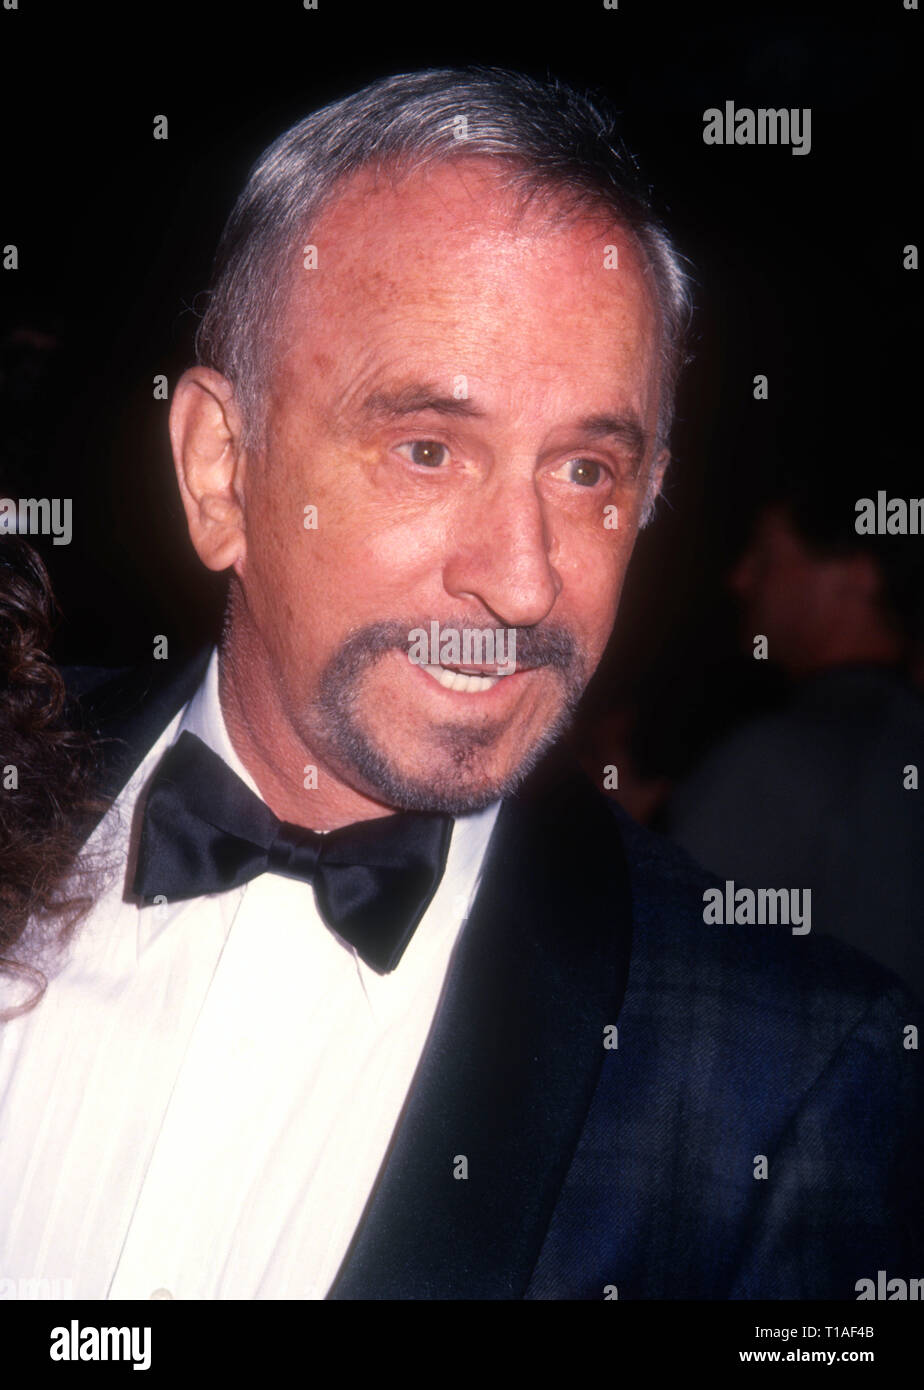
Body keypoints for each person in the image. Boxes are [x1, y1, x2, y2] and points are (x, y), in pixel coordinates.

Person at [0, 68, 920, 1301]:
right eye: (428, 450)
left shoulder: (784, 1084)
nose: (527, 582)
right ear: (222, 474)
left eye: (588, 472)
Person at [669, 474, 924, 1002]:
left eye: (765, 559)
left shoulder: (775, 761)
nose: (740, 579)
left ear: (855, 576)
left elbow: (668, 983)